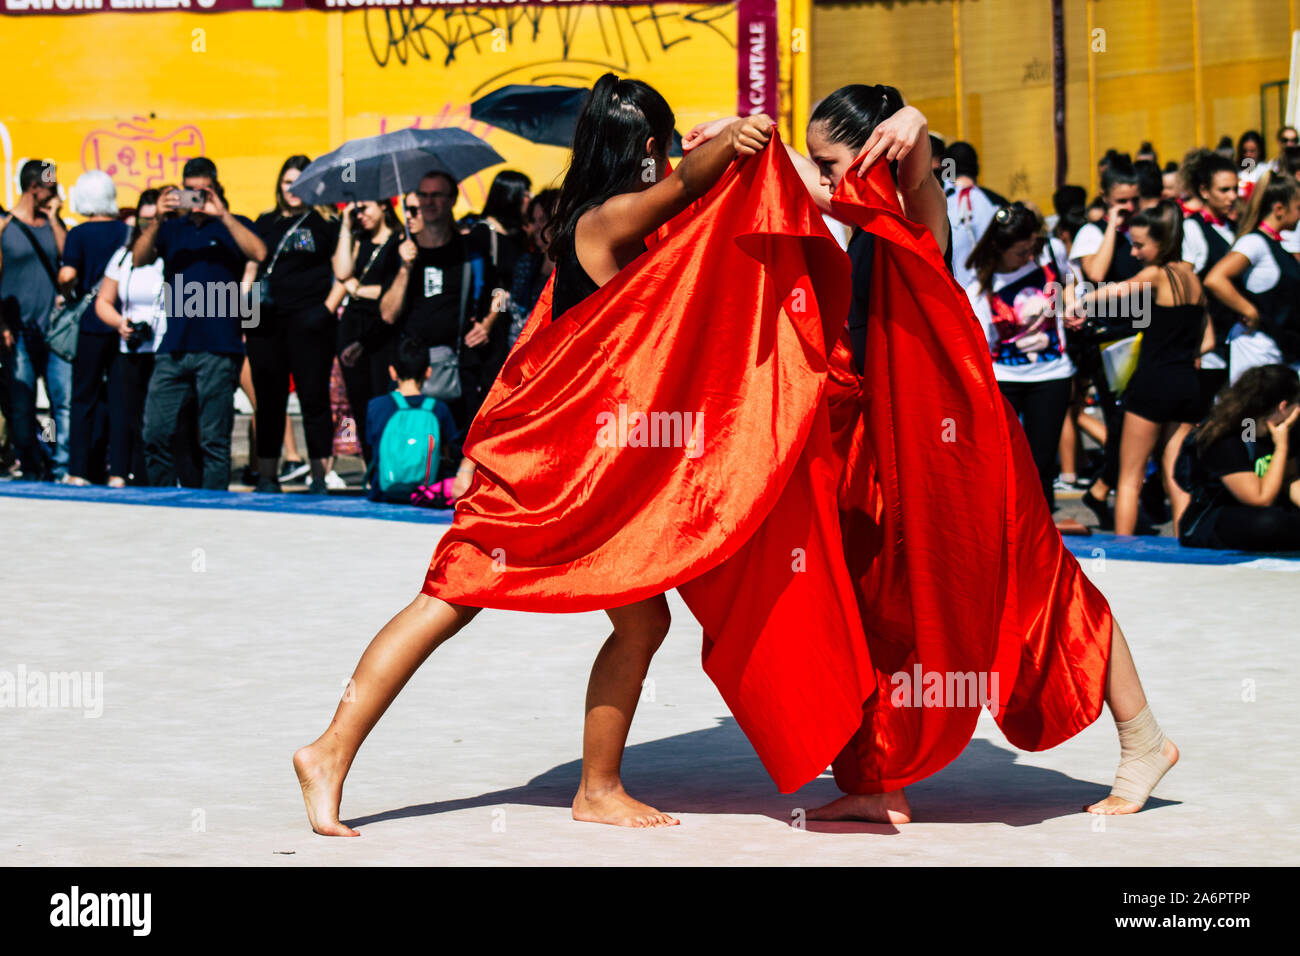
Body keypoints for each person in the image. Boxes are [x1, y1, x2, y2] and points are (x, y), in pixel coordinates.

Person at [295, 75, 783, 835]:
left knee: (635, 619)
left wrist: (722, 141)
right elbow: (690, 181)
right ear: (648, 148)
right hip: (557, 475)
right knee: (449, 599)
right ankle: (329, 750)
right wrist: (737, 136)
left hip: (574, 467)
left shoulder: (594, 220)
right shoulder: (610, 217)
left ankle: (596, 787)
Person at [762, 84, 1175, 821]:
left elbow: (913, 172)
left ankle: (1143, 740)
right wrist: (745, 135)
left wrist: (916, 127)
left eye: (833, 163)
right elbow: (796, 171)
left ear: (870, 154)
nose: (821, 178)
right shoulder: (860, 219)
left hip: (965, 445)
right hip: (900, 446)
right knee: (883, 599)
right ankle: (878, 775)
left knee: (1042, 585)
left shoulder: (915, 217)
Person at [134, 157, 267, 489]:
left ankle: (213, 510)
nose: (195, 199)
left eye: (202, 191)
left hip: (219, 347)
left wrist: (220, 214)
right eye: (188, 192)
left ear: (216, 188)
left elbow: (260, 254)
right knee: (155, 433)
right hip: (174, 346)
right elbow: (138, 259)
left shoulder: (234, 224)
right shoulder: (170, 229)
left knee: (214, 441)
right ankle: (163, 502)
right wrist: (157, 220)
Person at [1075, 200, 1206, 536]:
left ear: (1161, 243)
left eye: (1138, 245)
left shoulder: (1156, 275)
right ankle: (1184, 549)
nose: (1133, 253)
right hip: (1187, 385)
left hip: (1153, 383)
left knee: (1129, 478)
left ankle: (1125, 556)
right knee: (1176, 479)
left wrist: (1076, 302)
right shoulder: (1193, 279)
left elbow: (1113, 292)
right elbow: (1207, 341)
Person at [964, 201, 1078, 508]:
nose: (1029, 257)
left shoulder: (1051, 252)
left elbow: (1070, 282)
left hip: (1052, 374)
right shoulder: (980, 281)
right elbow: (978, 340)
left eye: (1031, 248)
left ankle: (1045, 533)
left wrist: (1071, 306)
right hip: (1003, 378)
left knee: (1042, 461)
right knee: (1003, 459)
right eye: (1020, 253)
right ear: (999, 249)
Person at [378, 171, 503, 432]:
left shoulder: (472, 249)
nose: (428, 202)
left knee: (457, 449)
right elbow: (387, 315)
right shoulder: (400, 250)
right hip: (410, 371)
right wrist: (405, 268)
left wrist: (489, 323)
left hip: (458, 369)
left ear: (452, 199)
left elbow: (500, 294)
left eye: (436, 195)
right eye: (423, 195)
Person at [248, 155, 344, 494]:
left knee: (313, 399)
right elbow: (251, 269)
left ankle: (319, 476)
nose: (292, 189)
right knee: (269, 402)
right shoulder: (264, 221)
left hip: (310, 322)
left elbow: (343, 272)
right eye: (287, 182)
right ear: (279, 185)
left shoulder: (327, 222)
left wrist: (325, 311)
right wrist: (246, 317)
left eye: (300, 182)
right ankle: (267, 476)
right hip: (266, 323)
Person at [1071, 162, 1143, 529]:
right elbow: (1095, 274)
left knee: (1136, 420)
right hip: (1108, 341)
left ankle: (1110, 487)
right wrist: (1112, 227)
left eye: (1134, 200)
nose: (1129, 207)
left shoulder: (1139, 232)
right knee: (1121, 422)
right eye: (1121, 201)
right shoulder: (1091, 233)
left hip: (1138, 332)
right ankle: (1102, 487)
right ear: (1106, 199)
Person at [1176, 364, 1300, 550]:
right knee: (1270, 523)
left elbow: (1289, 479)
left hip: (1261, 515)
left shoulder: (1269, 429)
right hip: (1217, 519)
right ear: (1283, 406)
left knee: (1283, 521)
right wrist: (1281, 447)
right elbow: (1259, 499)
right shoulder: (1228, 437)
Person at [60, 170, 131, 485]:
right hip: (121, 321)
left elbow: (67, 275)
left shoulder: (78, 234)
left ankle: (78, 470)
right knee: (120, 399)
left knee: (82, 398)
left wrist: (67, 294)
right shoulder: (126, 231)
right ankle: (118, 470)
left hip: (89, 323)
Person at [1, 159, 70, 481]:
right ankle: (31, 462)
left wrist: (55, 218)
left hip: (53, 331)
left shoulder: (53, 224)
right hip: (19, 333)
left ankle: (56, 460)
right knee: (22, 407)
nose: (56, 191)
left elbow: (67, 260)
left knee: (60, 403)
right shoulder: (5, 226)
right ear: (34, 187)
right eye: (51, 185)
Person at [94, 189, 167, 486]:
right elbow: (103, 301)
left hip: (164, 350)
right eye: (145, 219)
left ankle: (156, 477)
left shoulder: (171, 255)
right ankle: (120, 475)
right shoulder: (124, 257)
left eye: (156, 219)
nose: (150, 225)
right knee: (125, 417)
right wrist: (120, 323)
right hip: (131, 348)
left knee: (158, 423)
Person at [1204, 171, 1300, 384]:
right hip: (1258, 351)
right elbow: (1215, 278)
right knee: (1251, 415)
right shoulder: (1254, 243)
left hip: (1278, 350)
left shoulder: (1278, 245)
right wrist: (1248, 309)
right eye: (1298, 208)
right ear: (1279, 209)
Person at [335, 198, 401, 465]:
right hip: (352, 326)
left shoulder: (399, 242)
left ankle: (387, 466)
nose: (360, 215)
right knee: (359, 402)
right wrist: (344, 224)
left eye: (365, 208)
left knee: (381, 400)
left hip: (381, 330)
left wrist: (358, 289)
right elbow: (342, 272)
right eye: (356, 210)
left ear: (384, 205)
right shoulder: (358, 239)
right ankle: (370, 467)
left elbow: (390, 292)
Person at [363, 337, 460, 504]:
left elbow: (372, 444)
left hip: (383, 496)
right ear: (428, 372)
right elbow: (449, 451)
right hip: (426, 497)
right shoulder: (439, 409)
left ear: (392, 372)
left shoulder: (376, 406)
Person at [943, 141, 1007, 290]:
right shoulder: (997, 203)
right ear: (977, 168)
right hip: (995, 296)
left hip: (956, 298)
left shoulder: (937, 205)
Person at [507, 188, 560, 350]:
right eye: (534, 220)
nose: (536, 227)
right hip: (523, 352)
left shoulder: (576, 264)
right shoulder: (526, 263)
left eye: (543, 220)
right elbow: (516, 309)